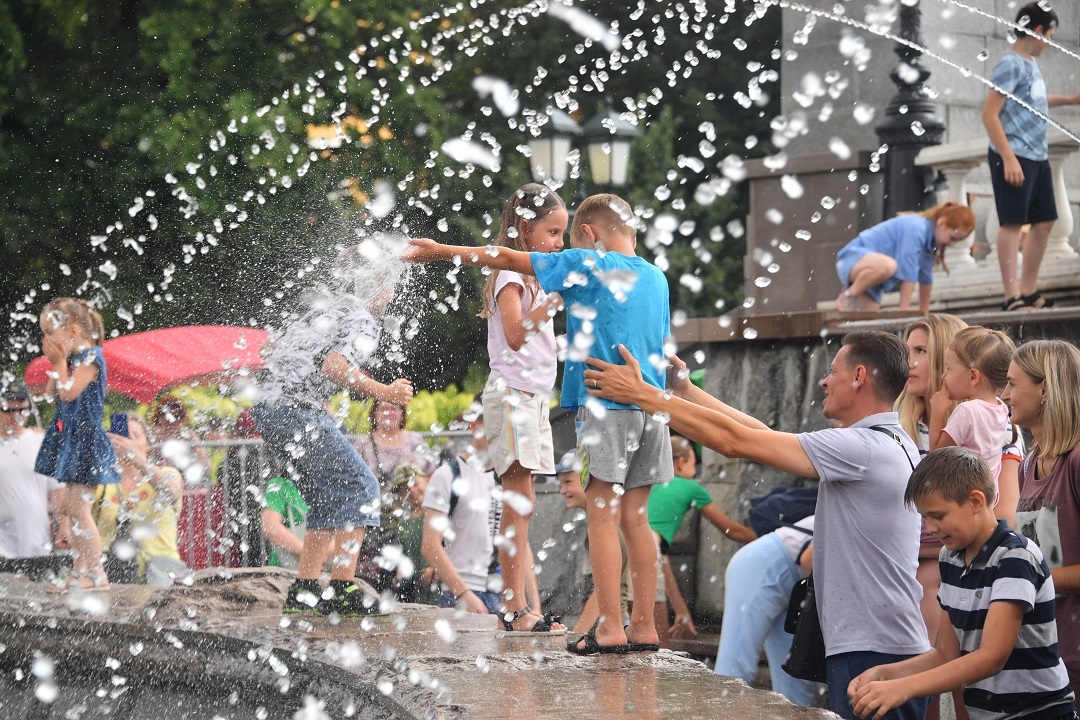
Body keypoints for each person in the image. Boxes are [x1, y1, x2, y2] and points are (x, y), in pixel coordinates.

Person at [584, 331, 930, 719]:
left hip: (875, 649)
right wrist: (684, 392)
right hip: (885, 642)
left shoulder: (864, 449)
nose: (823, 380)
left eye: (833, 371)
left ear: (859, 376)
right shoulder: (885, 442)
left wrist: (641, 395)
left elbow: (737, 443)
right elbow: (761, 436)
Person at [406, 192, 671, 654]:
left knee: (600, 512)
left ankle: (608, 626)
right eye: (552, 233)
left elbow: (509, 259)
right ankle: (638, 624)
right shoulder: (656, 277)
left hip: (605, 404)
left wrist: (442, 251)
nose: (560, 244)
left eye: (565, 235)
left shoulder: (586, 263)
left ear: (587, 235)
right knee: (632, 515)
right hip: (647, 407)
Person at [849, 447, 1075, 720]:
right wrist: (885, 674)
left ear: (976, 501)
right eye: (924, 517)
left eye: (938, 515)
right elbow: (946, 653)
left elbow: (992, 657)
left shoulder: (1015, 558)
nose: (930, 528)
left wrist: (904, 688)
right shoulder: (951, 559)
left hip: (1039, 714)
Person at [253, 243, 414, 617]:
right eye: (390, 286)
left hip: (268, 408)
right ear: (381, 288)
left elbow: (279, 355)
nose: (391, 296)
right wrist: (386, 392)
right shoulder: (363, 320)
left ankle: (305, 590)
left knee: (328, 495)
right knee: (363, 485)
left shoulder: (330, 308)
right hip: (294, 409)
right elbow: (334, 367)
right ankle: (342, 588)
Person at [896, 315, 1021, 720]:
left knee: (948, 664)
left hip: (950, 556)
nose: (909, 362)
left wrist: (938, 415)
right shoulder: (999, 411)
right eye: (906, 350)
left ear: (967, 373)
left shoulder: (961, 416)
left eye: (922, 353)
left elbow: (939, 462)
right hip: (931, 553)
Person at [474, 183, 566, 633]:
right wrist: (551, 306)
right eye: (553, 232)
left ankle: (523, 605)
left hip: (532, 398)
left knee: (524, 503)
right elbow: (514, 334)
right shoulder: (511, 276)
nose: (559, 243)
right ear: (526, 230)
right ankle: (512, 609)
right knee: (520, 500)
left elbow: (537, 342)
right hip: (511, 394)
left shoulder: (533, 278)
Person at [982, 2, 1080, 311]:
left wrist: (1069, 99)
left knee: (1046, 220)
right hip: (1014, 155)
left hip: (1036, 155)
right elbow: (989, 114)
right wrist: (1009, 158)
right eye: (1049, 36)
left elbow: (1032, 99)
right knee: (1012, 223)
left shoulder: (1029, 63)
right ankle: (1011, 297)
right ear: (1037, 31)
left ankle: (1028, 291)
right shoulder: (1010, 63)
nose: (1049, 43)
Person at [1005, 339, 1080, 694]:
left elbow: (1039, 565)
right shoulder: (1030, 464)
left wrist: (1021, 576)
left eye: (1012, 383)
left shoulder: (1077, 461)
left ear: (1046, 389)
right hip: (1047, 653)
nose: (1004, 394)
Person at [34, 298, 120, 592]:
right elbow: (51, 393)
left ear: (72, 330)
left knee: (81, 510)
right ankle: (79, 569)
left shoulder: (92, 358)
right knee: (71, 508)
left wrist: (59, 363)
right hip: (72, 439)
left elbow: (69, 394)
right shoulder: (73, 359)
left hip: (87, 442)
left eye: (49, 332)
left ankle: (96, 572)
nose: (46, 339)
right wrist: (56, 363)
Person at [648, 435, 756, 647]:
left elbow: (659, 559)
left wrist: (680, 610)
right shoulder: (691, 488)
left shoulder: (650, 484)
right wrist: (769, 539)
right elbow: (732, 530)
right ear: (681, 463)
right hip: (649, 549)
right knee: (658, 648)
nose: (696, 471)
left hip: (632, 544)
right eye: (693, 463)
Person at [714, 515, 818, 707]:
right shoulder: (862, 509)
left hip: (798, 586)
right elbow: (809, 560)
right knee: (733, 672)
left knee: (796, 683)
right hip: (761, 567)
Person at [420, 414, 502, 615]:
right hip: (461, 589)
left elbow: (520, 546)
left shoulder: (506, 479)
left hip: (501, 589)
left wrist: (533, 606)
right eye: (493, 424)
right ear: (474, 426)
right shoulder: (448, 474)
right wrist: (462, 593)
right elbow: (430, 545)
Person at [355, 398, 436, 598]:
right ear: (374, 414)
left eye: (394, 408)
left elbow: (432, 476)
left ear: (402, 413)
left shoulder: (416, 442)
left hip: (412, 519)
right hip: (376, 527)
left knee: (412, 579)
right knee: (377, 582)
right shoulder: (363, 445)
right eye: (383, 408)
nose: (388, 413)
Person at [834, 202, 975, 313]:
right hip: (852, 259)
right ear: (941, 222)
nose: (952, 244)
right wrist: (904, 311)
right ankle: (848, 295)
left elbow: (926, 279)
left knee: (868, 329)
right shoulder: (917, 228)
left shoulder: (930, 242)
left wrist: (924, 313)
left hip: (872, 282)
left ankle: (851, 291)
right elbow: (909, 274)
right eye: (952, 238)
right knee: (889, 266)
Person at [97, 414, 187, 585]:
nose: (128, 440)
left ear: (147, 446)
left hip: (162, 578)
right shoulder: (101, 483)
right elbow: (72, 509)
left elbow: (171, 492)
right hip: (112, 578)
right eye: (123, 435)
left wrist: (135, 458)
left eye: (135, 436)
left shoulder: (168, 473)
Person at [929, 327, 1015, 494]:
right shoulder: (1001, 407)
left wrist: (937, 411)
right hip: (986, 494)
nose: (943, 377)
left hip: (962, 495)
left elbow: (936, 456)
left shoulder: (967, 411)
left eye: (949, 369)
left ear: (973, 377)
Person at [555, 452, 631, 633]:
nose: (562, 491)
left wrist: (577, 635)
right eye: (560, 483)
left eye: (568, 482)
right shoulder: (609, 516)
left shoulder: (601, 527)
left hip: (606, 627)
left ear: (587, 479)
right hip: (614, 624)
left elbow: (601, 592)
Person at [0, 382, 65, 560]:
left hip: (37, 547)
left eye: (22, 410)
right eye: (8, 410)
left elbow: (57, 494)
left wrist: (64, 528)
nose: (16, 416)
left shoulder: (42, 442)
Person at [148, 395, 211, 485]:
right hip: (158, 479)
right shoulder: (151, 435)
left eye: (177, 416)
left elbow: (203, 459)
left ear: (183, 418)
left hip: (185, 481)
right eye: (167, 416)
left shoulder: (187, 434)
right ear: (159, 416)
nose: (172, 421)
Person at [261, 475, 308, 570]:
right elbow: (270, 526)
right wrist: (306, 552)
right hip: (283, 574)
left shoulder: (335, 486)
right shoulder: (280, 485)